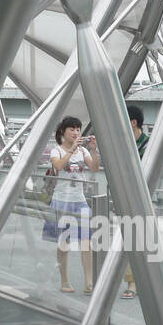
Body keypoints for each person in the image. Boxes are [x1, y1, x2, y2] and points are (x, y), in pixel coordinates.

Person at [42, 115, 99, 294]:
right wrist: (72, 149)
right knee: (63, 243)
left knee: (86, 242)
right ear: (63, 132)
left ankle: (89, 282)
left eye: (78, 129)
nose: (76, 132)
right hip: (61, 201)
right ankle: (65, 281)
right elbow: (58, 166)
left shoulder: (83, 152)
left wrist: (94, 150)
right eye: (72, 129)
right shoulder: (56, 150)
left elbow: (95, 168)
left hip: (80, 200)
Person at [120, 104, 149, 300]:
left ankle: (136, 282)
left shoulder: (149, 144)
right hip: (127, 195)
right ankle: (136, 280)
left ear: (133, 122)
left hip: (145, 196)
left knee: (140, 239)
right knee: (132, 238)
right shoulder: (123, 142)